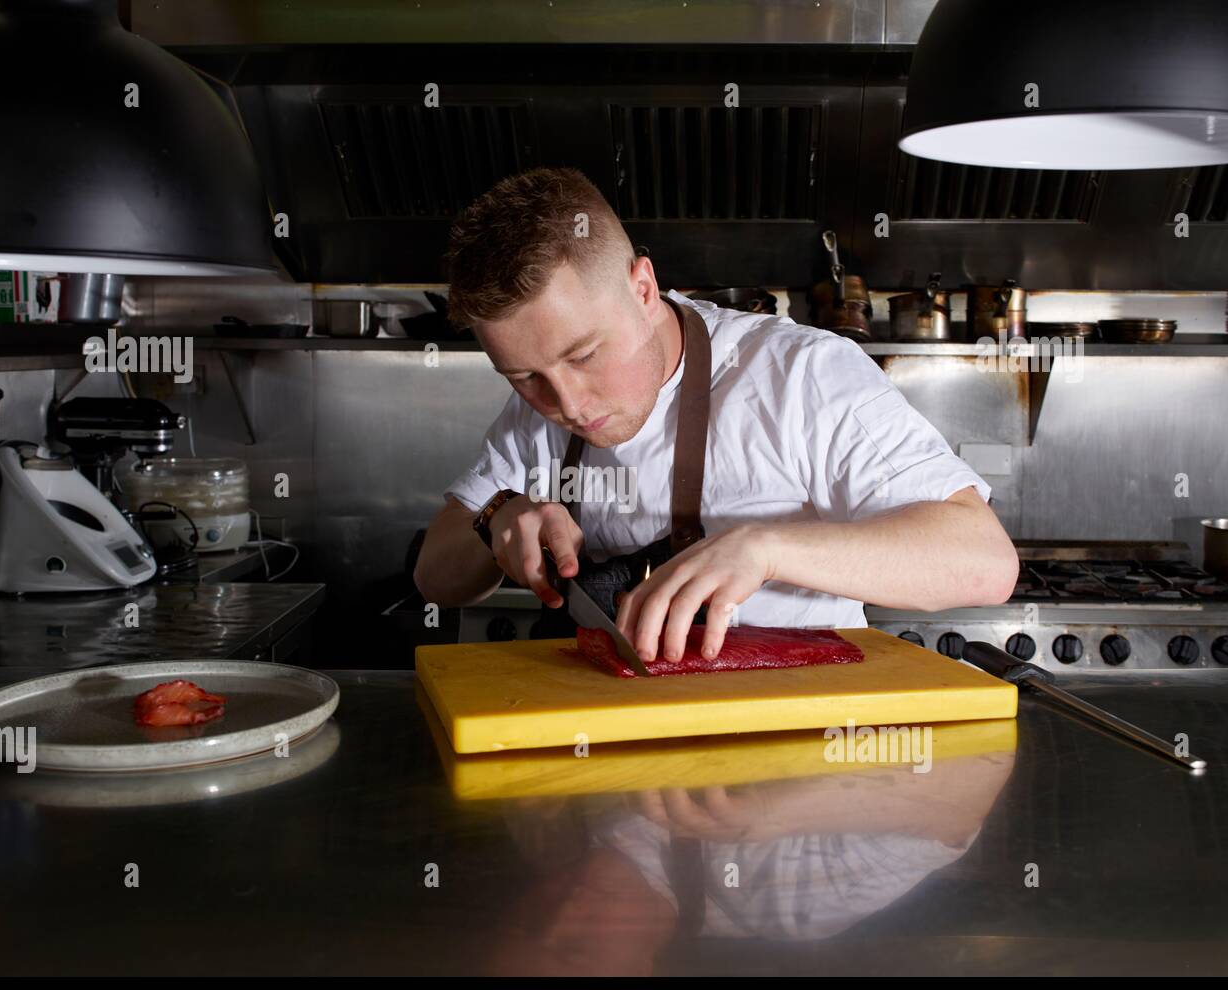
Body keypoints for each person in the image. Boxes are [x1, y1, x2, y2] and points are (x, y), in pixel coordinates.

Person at [414, 167, 1018, 664]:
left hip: (800, 763)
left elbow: (984, 563)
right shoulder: (539, 407)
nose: (567, 404)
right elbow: (434, 580)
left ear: (643, 289)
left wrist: (768, 549)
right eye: (524, 379)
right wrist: (494, 522)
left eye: (584, 355)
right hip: (611, 751)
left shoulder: (801, 374)